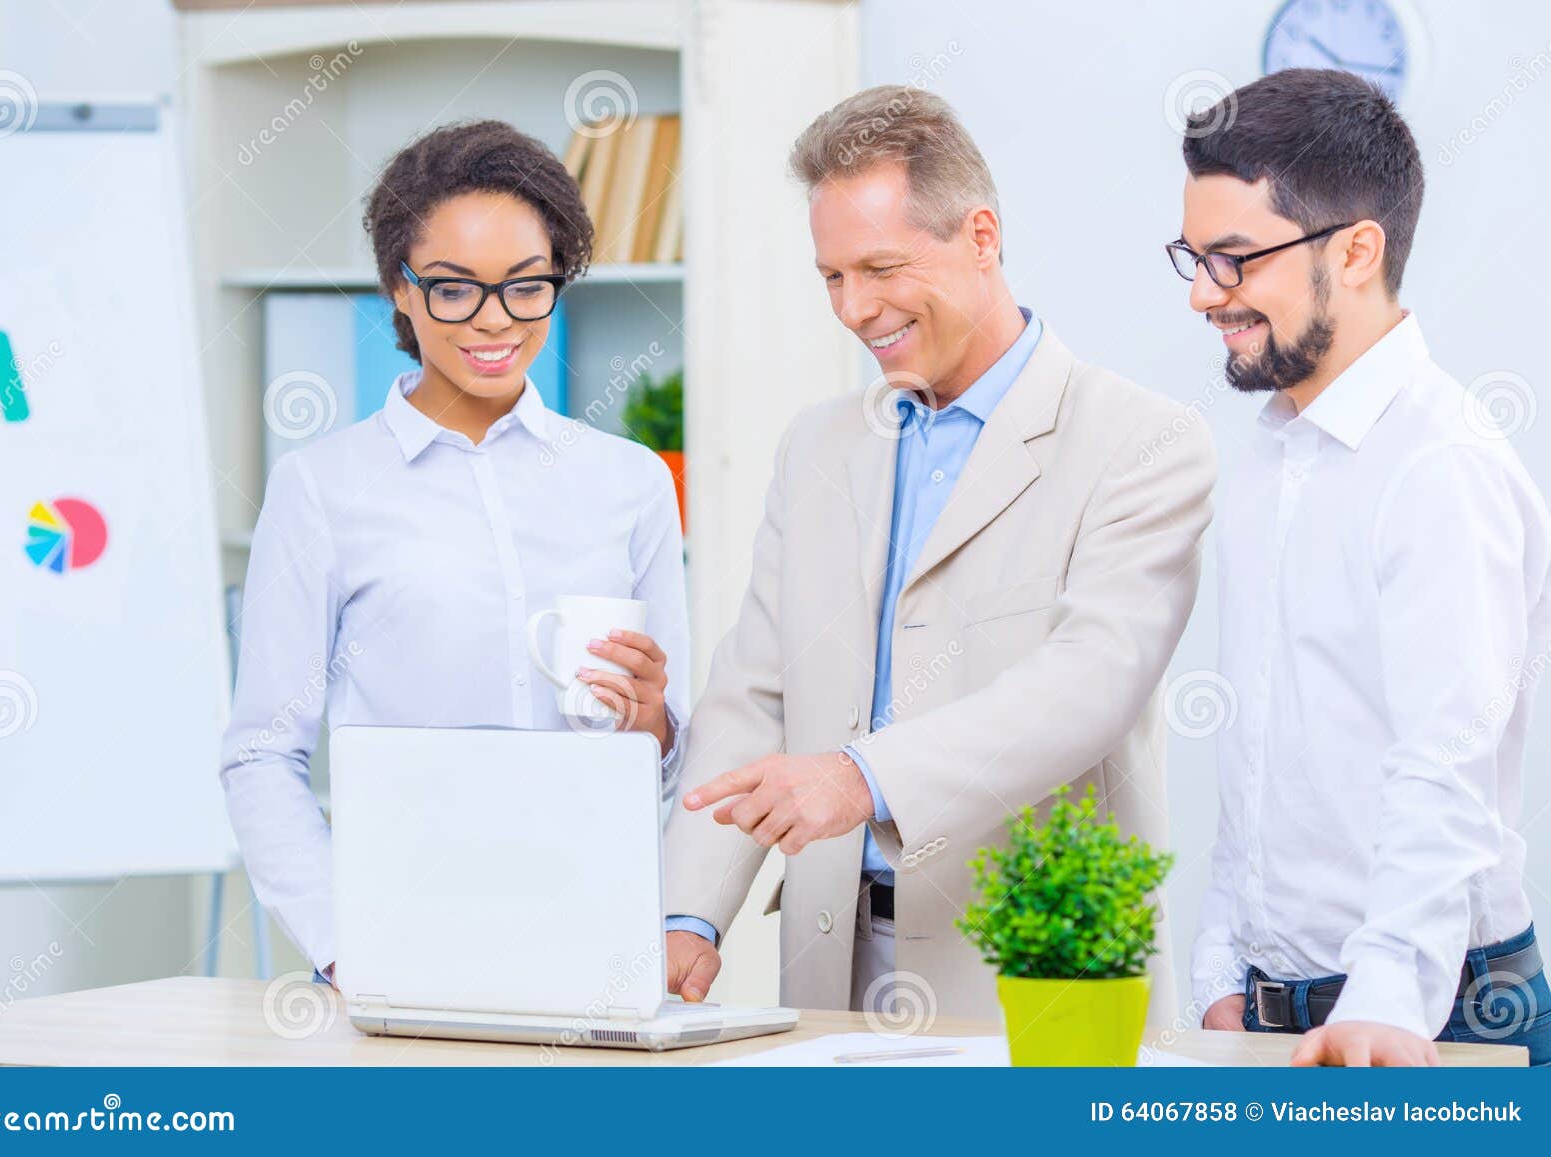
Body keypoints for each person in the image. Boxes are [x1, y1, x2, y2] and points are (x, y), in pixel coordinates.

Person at [663, 86, 1216, 1020]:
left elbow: (1088, 685)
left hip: (1033, 984)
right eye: (831, 276)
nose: (853, 308)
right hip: (834, 969)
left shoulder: (1144, 442)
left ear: (983, 237)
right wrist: (689, 911)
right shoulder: (818, 447)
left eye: (880, 267)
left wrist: (860, 776)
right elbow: (755, 690)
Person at [220, 120, 688, 984]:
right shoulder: (323, 488)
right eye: (453, 289)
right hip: (401, 940)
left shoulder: (630, 484)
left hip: (597, 937)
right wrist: (341, 945)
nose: (494, 320)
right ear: (401, 289)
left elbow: (672, 757)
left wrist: (655, 721)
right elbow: (261, 753)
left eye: (525, 286)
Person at [1173, 69, 1551, 1066]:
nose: (1205, 295)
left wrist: (1384, 996)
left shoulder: (1441, 465)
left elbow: (1444, 765)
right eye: (1194, 257)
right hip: (1275, 1006)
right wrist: (1220, 968)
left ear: (1355, 249)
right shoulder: (1270, 456)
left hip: (1434, 1007)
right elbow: (1259, 749)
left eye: (1234, 260)